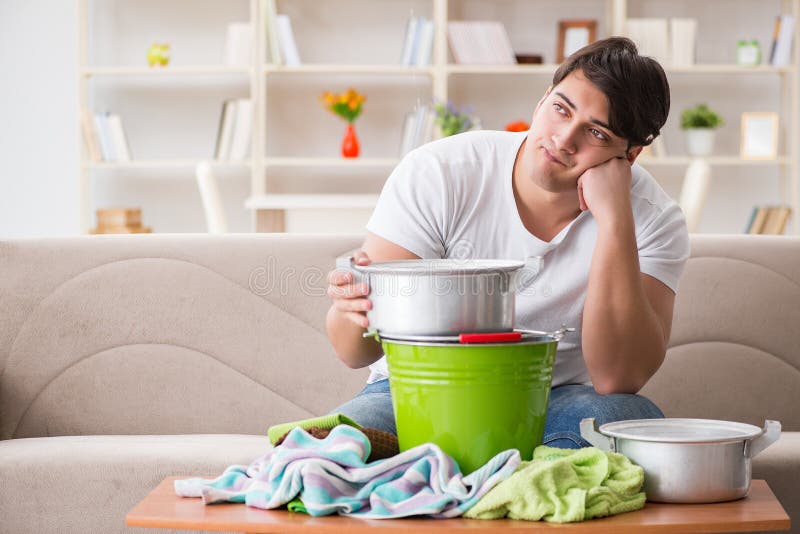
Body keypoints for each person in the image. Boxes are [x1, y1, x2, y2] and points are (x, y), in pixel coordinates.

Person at [324, 37, 690, 449]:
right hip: (421, 389)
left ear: (631, 155)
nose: (564, 139)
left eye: (596, 133)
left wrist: (616, 219)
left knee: (623, 422)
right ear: (541, 101)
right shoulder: (442, 172)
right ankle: (506, 482)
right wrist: (351, 307)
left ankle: (465, 481)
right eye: (560, 109)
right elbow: (354, 353)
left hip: (557, 400)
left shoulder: (655, 219)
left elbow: (617, 378)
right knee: (334, 446)